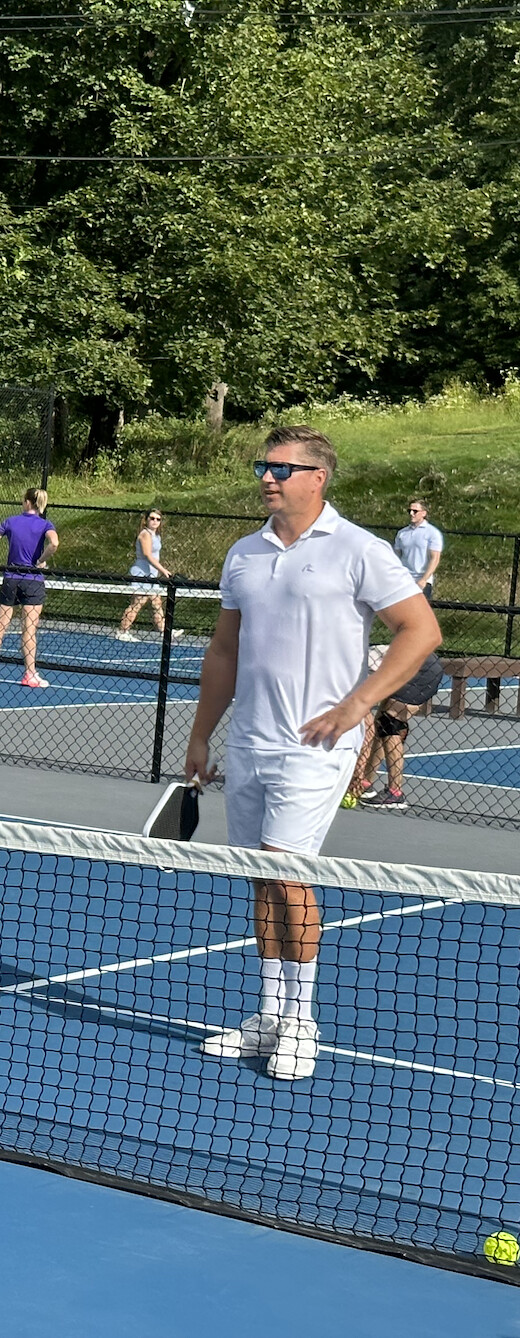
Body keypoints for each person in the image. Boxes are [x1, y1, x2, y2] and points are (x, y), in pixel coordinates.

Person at [186, 425, 439, 1081]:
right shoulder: (244, 554)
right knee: (261, 878)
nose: (266, 477)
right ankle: (268, 1014)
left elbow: (421, 630)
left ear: (316, 477)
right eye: (261, 467)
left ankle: (302, 1022)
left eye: (280, 468)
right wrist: (199, 734)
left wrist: (358, 706)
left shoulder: (358, 550)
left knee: (287, 873)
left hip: (315, 748)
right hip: (250, 742)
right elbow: (223, 651)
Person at [348, 644, 446, 811]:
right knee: (382, 721)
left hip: (420, 669)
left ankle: (395, 792)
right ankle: (367, 783)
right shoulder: (350, 671)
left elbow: (368, 730)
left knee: (389, 722)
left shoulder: (351, 676)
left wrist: (356, 775)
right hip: (410, 665)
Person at [0, 487, 57, 688]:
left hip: (10, 579)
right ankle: (29, 674)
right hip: (33, 581)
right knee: (29, 629)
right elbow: (54, 544)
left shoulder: (11, 521)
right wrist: (41, 560)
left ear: (27, 503)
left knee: (0, 624)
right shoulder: (45, 524)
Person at [115, 509, 179, 642]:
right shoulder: (145, 534)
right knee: (138, 602)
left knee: (156, 602)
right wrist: (163, 570)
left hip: (151, 574)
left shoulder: (157, 536)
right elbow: (148, 555)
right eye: (152, 518)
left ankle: (164, 632)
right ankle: (122, 631)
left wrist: (157, 571)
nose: (155, 521)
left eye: (158, 519)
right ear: (146, 520)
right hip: (141, 572)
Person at [395, 500, 443, 600]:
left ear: (424, 513)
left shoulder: (432, 533)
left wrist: (424, 579)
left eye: (415, 511)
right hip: (404, 579)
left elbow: (435, 558)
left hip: (421, 580)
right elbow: (396, 556)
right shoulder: (402, 533)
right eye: (409, 511)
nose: (411, 514)